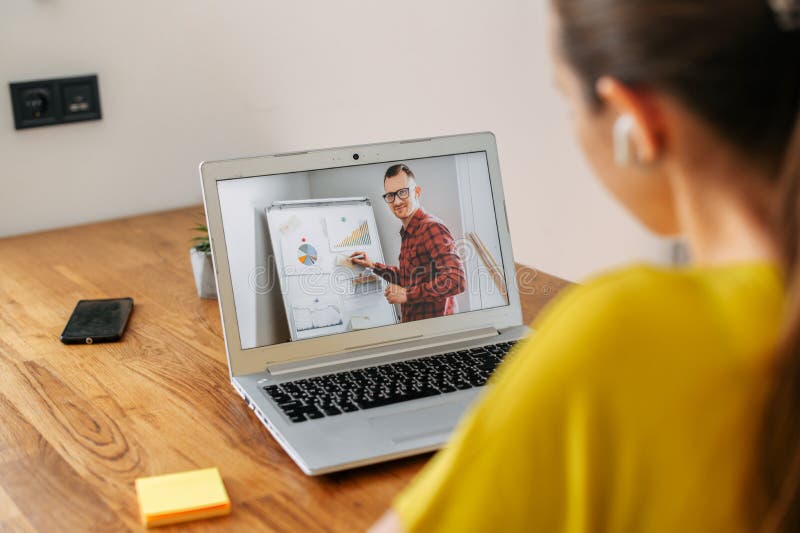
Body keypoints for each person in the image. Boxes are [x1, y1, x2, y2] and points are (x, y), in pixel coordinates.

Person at [370, 0, 800, 531]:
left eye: (567, 101)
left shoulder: (624, 328)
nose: (396, 202)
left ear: (632, 121)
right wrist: (383, 272)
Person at [351, 164, 466, 323]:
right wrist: (373, 265)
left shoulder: (431, 227)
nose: (396, 201)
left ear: (416, 192)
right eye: (390, 195)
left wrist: (407, 294)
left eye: (403, 192)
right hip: (417, 331)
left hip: (435, 334)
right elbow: (410, 278)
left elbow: (456, 280)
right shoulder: (409, 232)